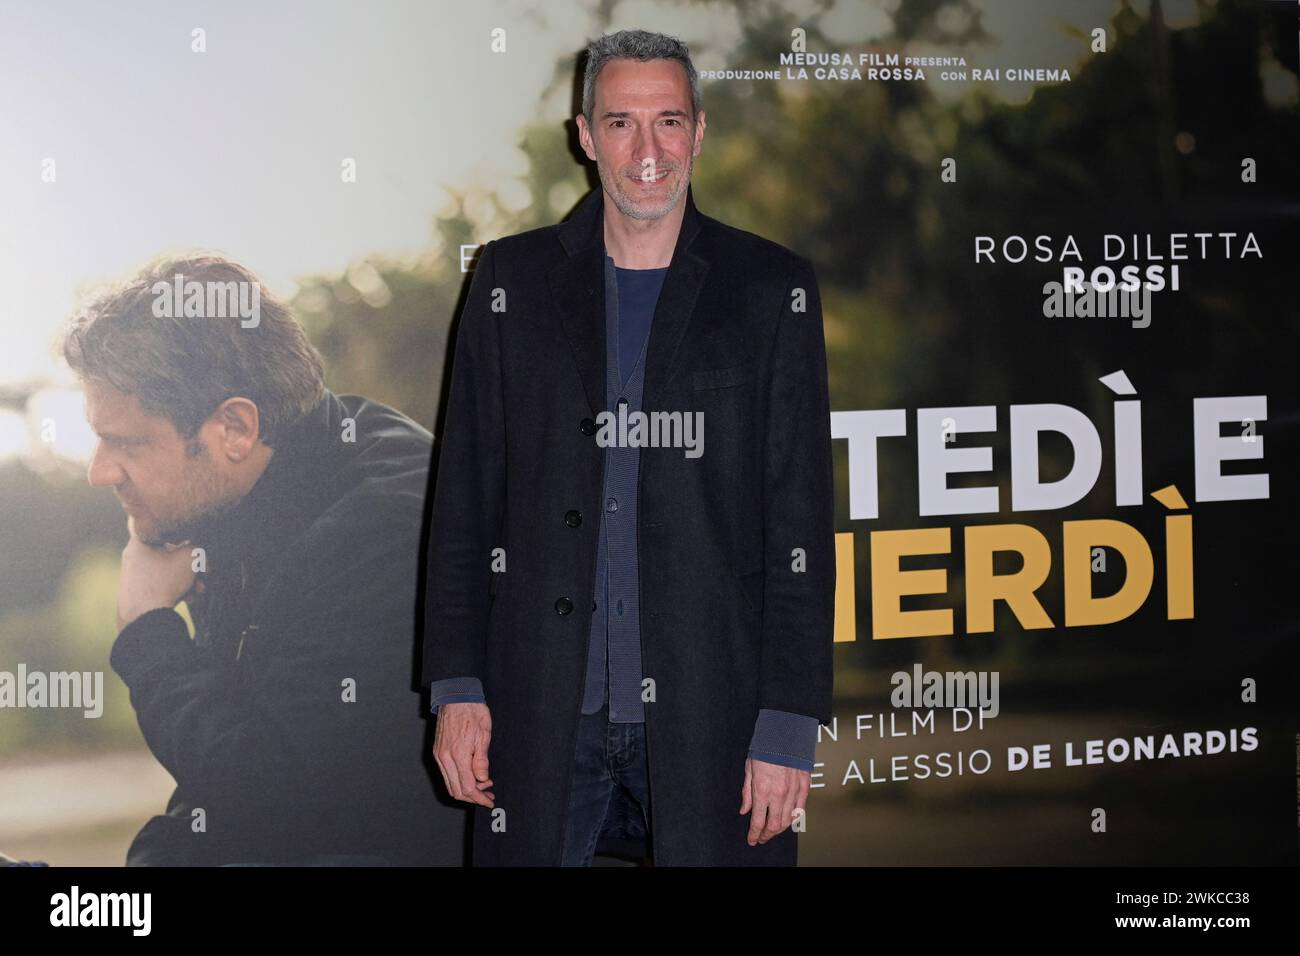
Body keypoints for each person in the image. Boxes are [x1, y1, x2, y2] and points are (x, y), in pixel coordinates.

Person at [423, 29, 835, 866]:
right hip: (539, 711)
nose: (647, 150)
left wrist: (790, 722)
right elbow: (462, 498)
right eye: (620, 123)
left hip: (716, 715)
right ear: (585, 136)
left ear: (699, 129)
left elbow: (800, 526)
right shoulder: (511, 281)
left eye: (669, 121)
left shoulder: (772, 290)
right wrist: (457, 685)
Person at [61, 254, 468, 865]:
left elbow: (275, 797)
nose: (100, 472)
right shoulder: (251, 501)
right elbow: (221, 791)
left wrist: (149, 630)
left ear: (234, 428)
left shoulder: (384, 529)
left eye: (126, 442)